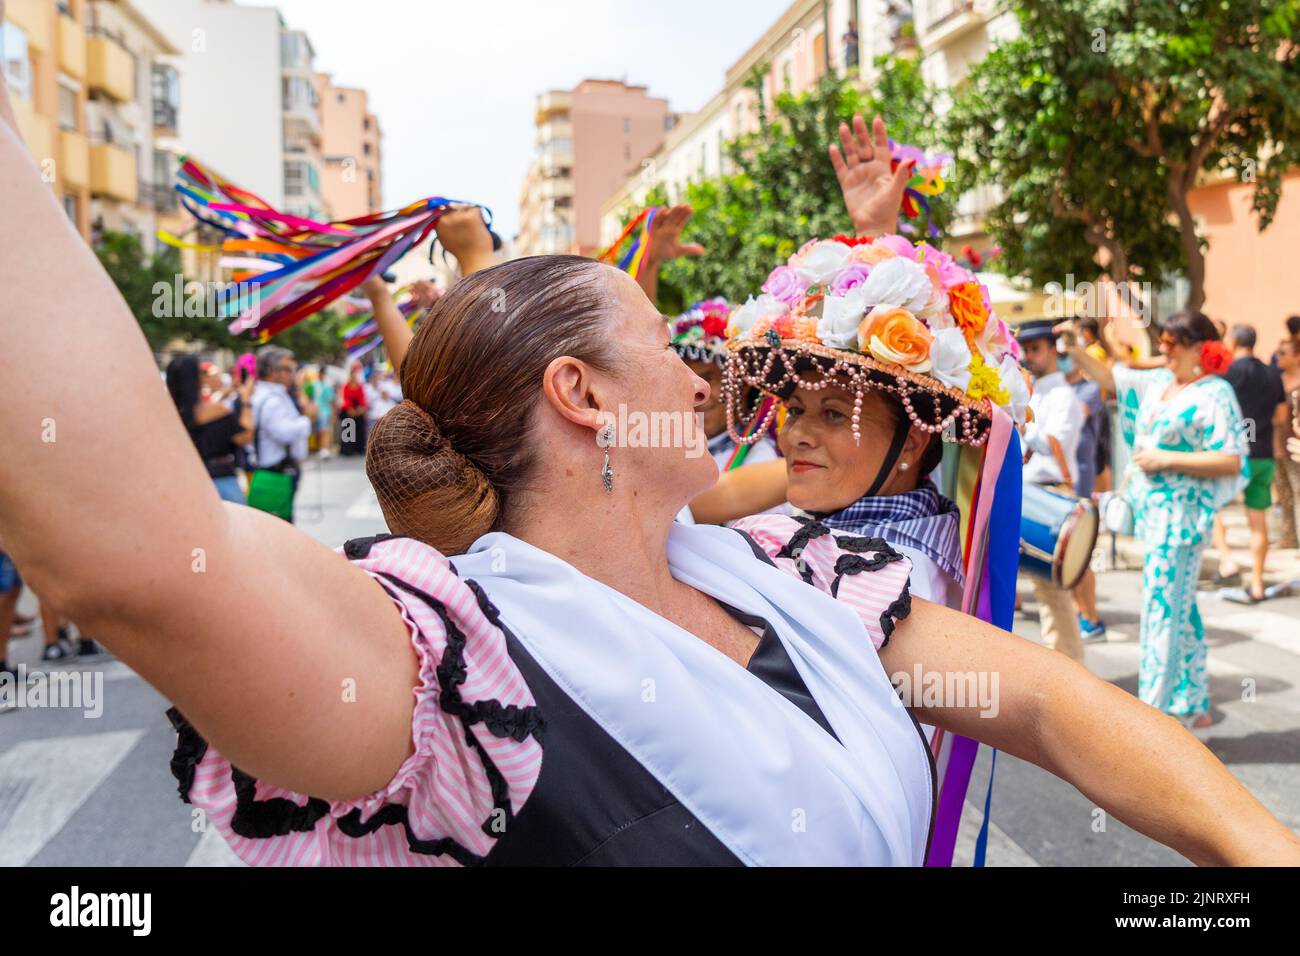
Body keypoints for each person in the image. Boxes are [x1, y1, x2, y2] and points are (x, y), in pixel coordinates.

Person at [6, 76, 1300, 863]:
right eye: (669, 350)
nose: (708, 383)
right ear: (582, 399)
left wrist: (1256, 843)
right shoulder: (455, 672)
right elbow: (129, 556)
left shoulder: (794, 567)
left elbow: (1052, 708)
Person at [1065, 311, 1246, 728]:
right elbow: (1110, 379)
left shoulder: (1216, 393)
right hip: (1156, 516)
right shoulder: (1162, 383)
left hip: (1183, 521)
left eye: (1171, 343)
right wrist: (1074, 346)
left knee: (1162, 609)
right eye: (1161, 341)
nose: (1163, 349)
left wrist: (1167, 458)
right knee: (1181, 608)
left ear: (1200, 347)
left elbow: (1232, 458)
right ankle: (1192, 699)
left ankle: (1152, 714)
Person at [1017, 320, 1087, 659]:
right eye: (1026, 350)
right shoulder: (1039, 391)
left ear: (1052, 350)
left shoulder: (1063, 395)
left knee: (1054, 592)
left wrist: (1021, 427)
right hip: (1029, 491)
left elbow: (1053, 443)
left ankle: (1069, 668)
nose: (1030, 356)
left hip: (1052, 492)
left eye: (1036, 349)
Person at [1211, 324, 1288, 602]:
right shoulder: (1272, 374)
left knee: (1212, 508)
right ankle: (1256, 582)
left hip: (1231, 455)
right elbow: (1280, 417)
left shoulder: (1226, 374)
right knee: (1258, 521)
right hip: (1263, 453)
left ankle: (1227, 559)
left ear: (1231, 341)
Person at [166, 354, 255, 504]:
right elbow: (245, 436)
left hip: (186, 482)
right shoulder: (216, 412)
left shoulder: (169, 415)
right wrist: (246, 402)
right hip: (222, 480)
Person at [248, 345, 316, 521]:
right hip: (275, 471)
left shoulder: (272, 394)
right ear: (272, 371)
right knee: (279, 524)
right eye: (287, 369)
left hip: (277, 469)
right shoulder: (272, 400)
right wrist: (307, 420)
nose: (292, 374)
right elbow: (284, 433)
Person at [1273, 338, 1300, 549]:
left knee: (1298, 492)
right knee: (1284, 495)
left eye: (1284, 353)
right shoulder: (1276, 379)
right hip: (1278, 445)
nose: (1278, 356)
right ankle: (1289, 537)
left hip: (1296, 446)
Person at [338, 364, 369, 457]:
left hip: (358, 410)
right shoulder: (345, 387)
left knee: (360, 426)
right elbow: (344, 399)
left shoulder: (360, 387)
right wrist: (350, 409)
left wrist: (361, 409)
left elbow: (363, 399)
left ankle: (359, 448)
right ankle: (348, 450)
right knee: (348, 425)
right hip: (348, 411)